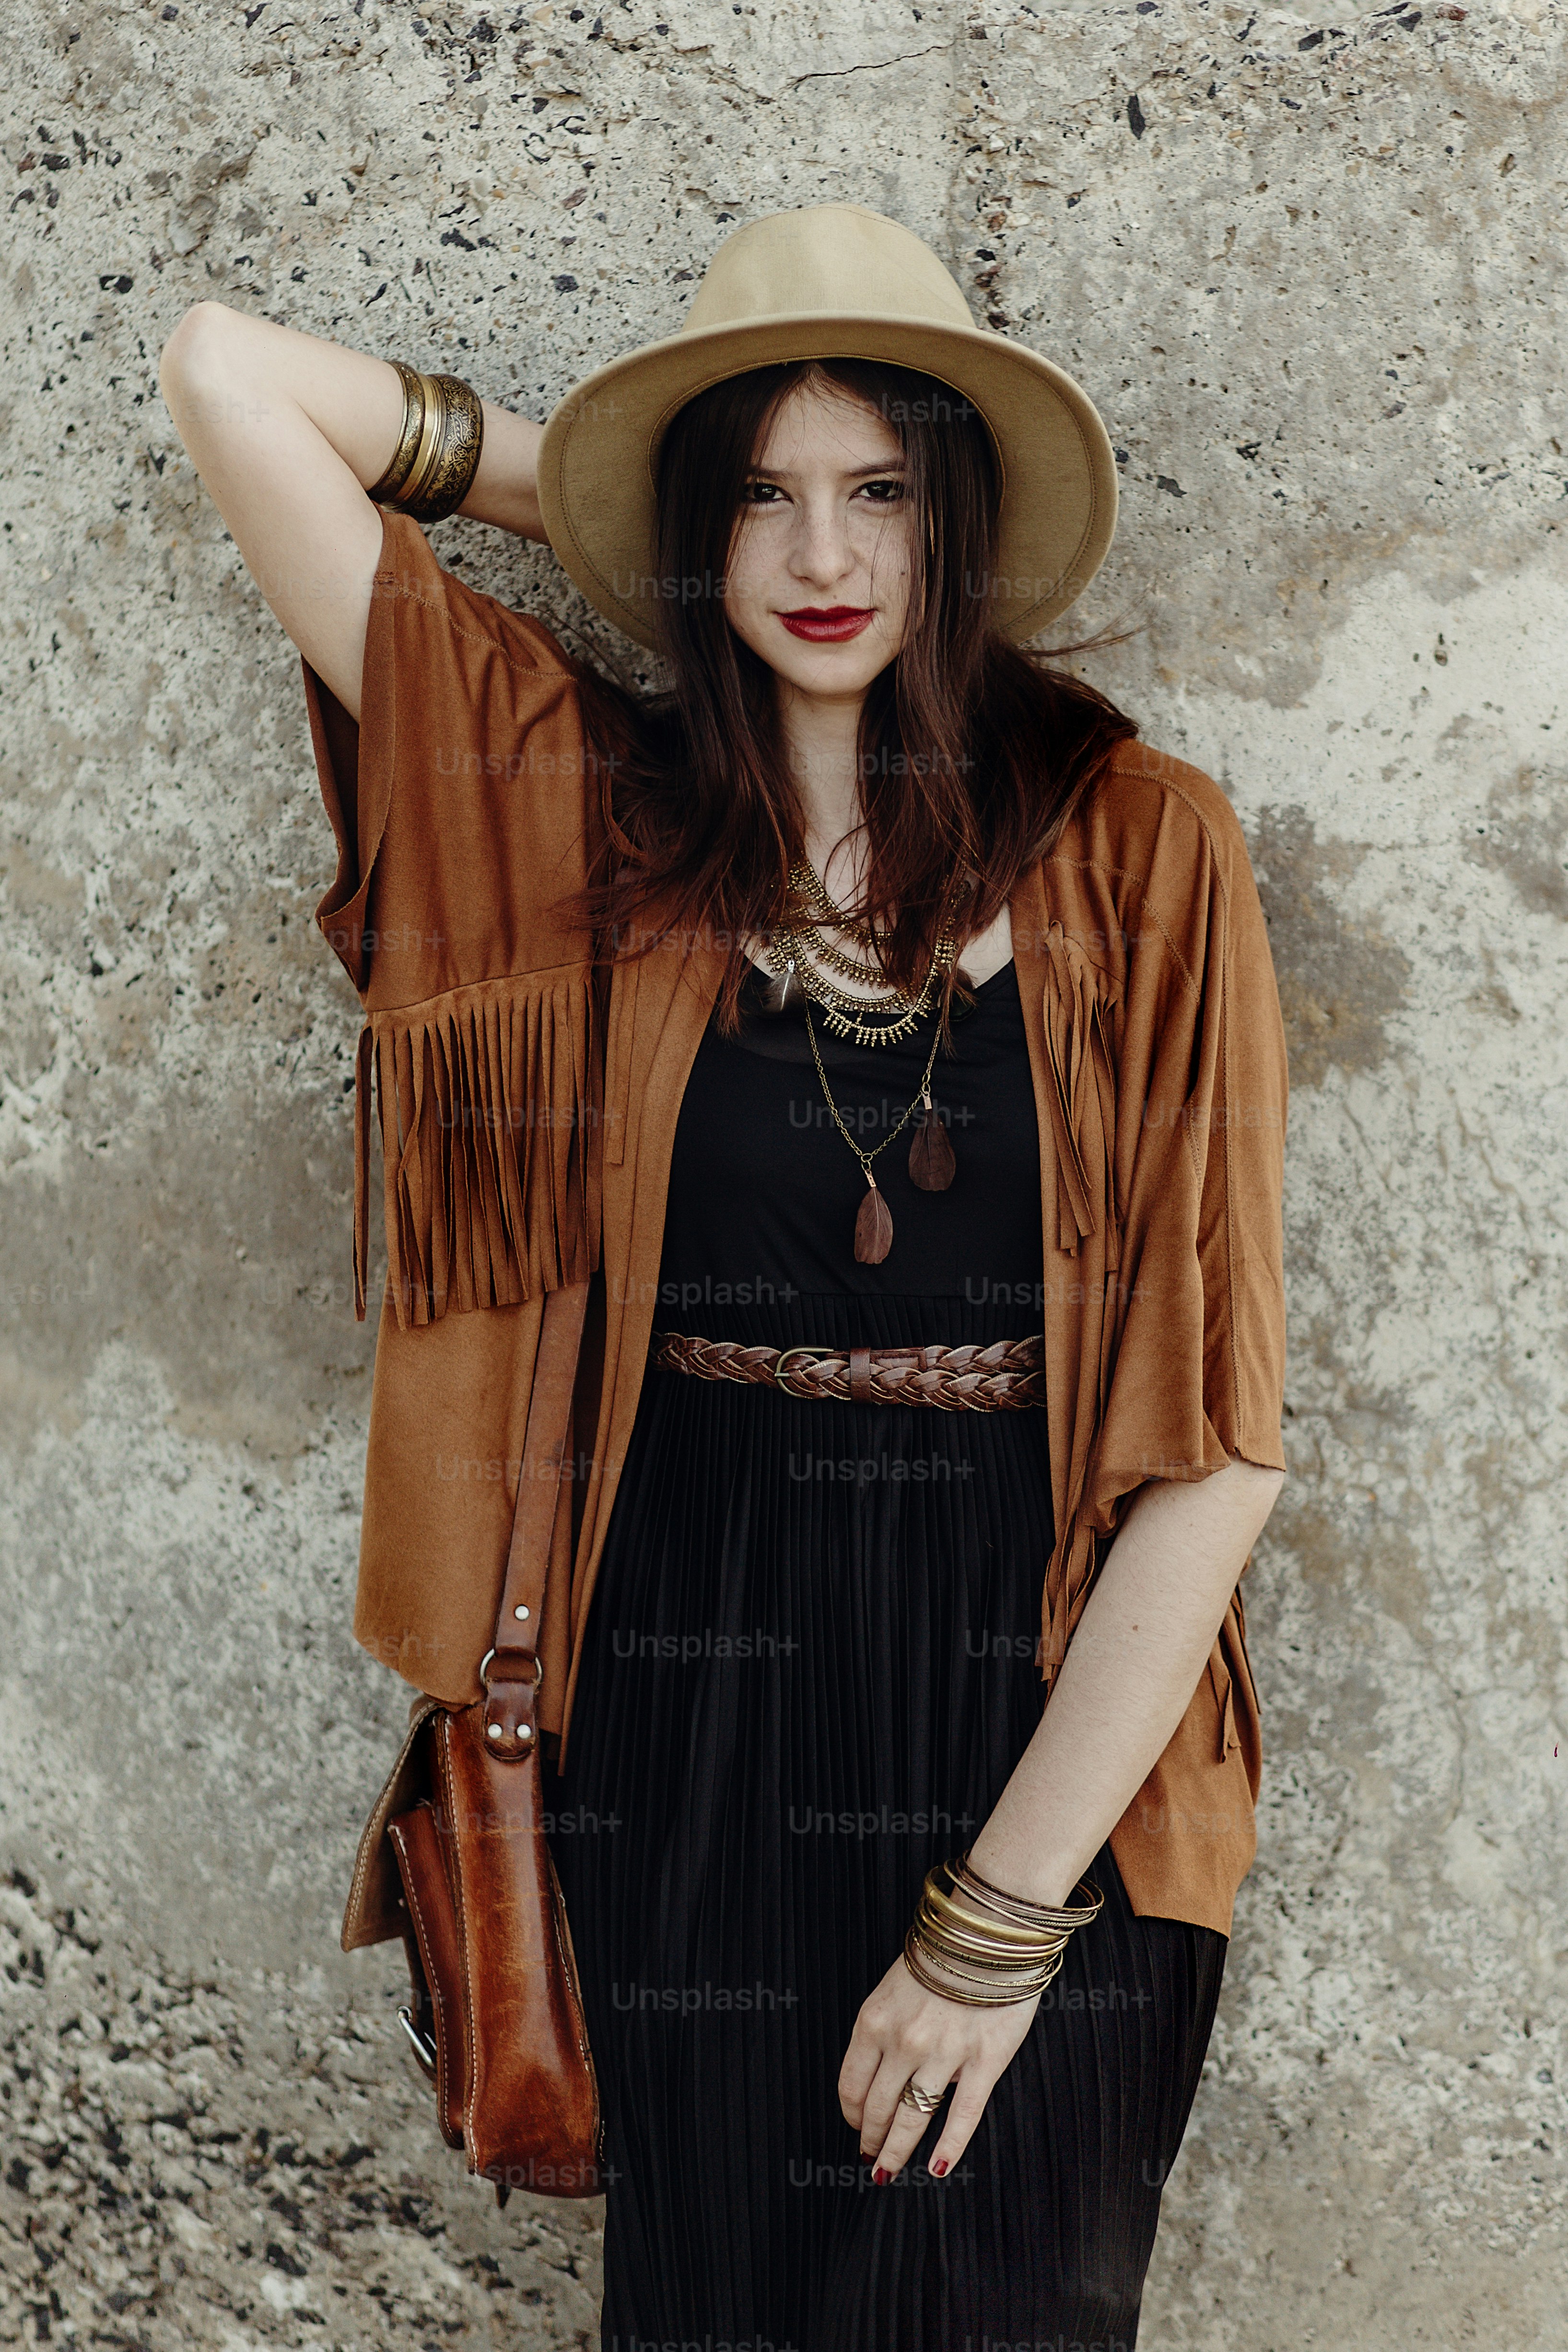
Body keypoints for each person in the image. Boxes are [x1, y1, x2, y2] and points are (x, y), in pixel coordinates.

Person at [160, 202, 1287, 2351]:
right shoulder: (579, 810)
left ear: (958, 515)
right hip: (688, 1689)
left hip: (1049, 1702)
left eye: (879, 491)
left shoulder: (1144, 845)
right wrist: (612, 503)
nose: (820, 553)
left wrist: (994, 1918)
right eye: (756, 498)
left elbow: (1221, 1447)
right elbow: (230, 375)